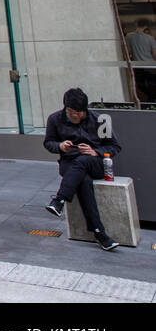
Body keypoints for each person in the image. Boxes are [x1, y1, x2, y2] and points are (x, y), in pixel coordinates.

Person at [43, 87, 121, 251]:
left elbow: (114, 146)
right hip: (69, 162)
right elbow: (48, 143)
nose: (74, 116)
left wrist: (96, 151)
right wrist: (61, 146)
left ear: (85, 110)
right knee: (83, 182)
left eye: (78, 112)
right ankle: (100, 234)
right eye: (70, 111)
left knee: (83, 160)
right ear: (65, 107)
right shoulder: (55, 119)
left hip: (95, 162)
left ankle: (60, 199)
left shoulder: (100, 120)